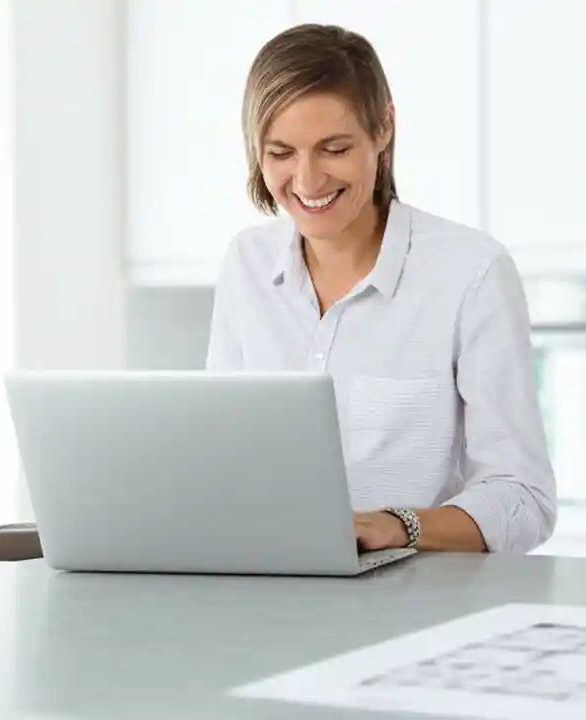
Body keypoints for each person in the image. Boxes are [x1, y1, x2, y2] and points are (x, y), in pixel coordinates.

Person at [205, 23, 556, 554]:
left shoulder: (471, 273)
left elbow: (524, 500)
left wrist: (398, 526)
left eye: (334, 148)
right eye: (281, 154)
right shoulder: (246, 264)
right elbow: (220, 457)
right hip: (268, 585)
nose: (308, 181)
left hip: (418, 592)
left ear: (383, 128)